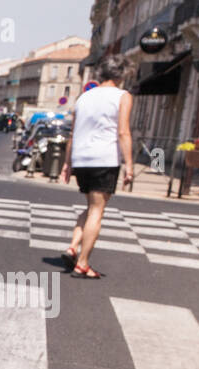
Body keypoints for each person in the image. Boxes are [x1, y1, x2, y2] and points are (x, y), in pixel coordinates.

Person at [61, 55, 133, 279]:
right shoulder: (123, 96)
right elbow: (123, 132)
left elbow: (73, 133)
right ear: (121, 75)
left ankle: (73, 246)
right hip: (105, 158)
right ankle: (82, 263)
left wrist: (67, 163)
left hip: (82, 158)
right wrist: (129, 164)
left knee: (91, 206)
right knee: (96, 210)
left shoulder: (84, 97)